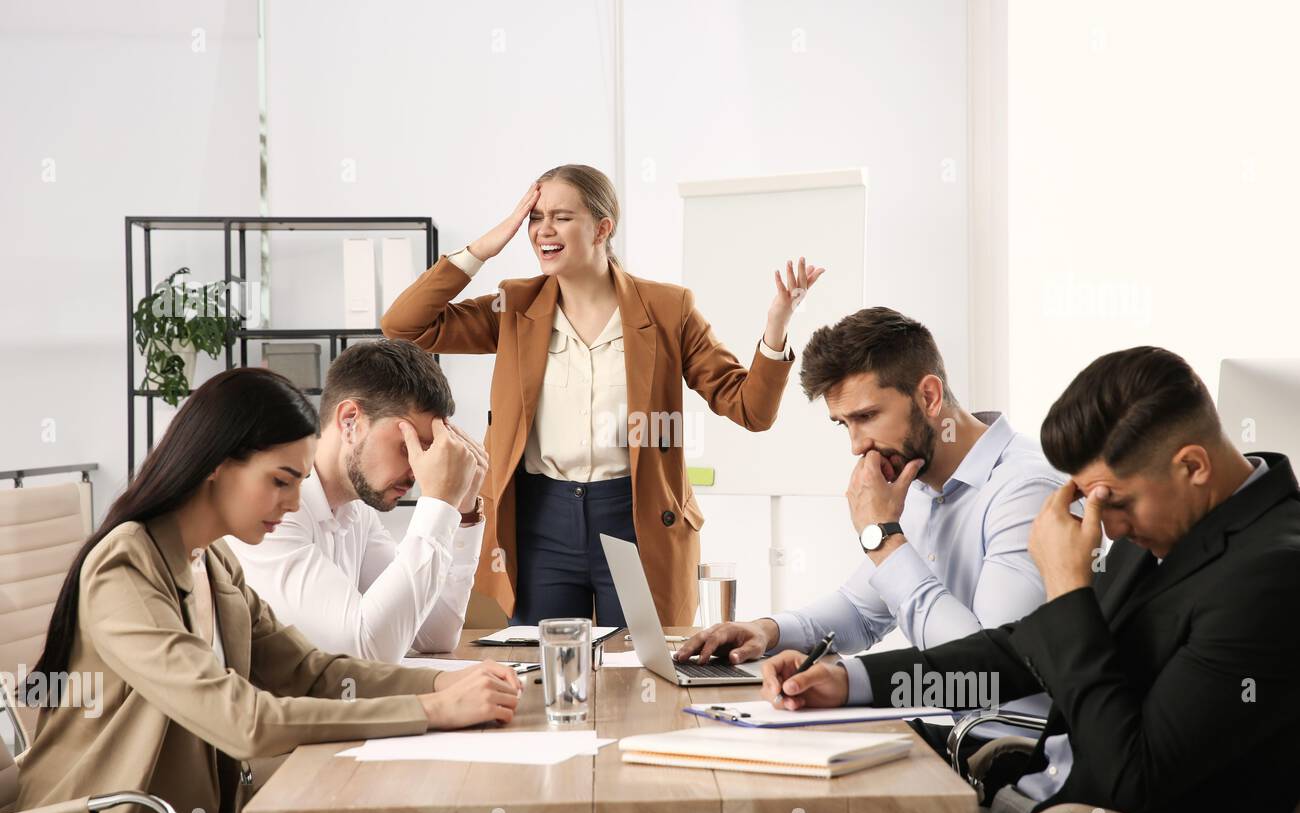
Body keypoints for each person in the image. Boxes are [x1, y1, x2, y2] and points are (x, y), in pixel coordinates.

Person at [759, 346, 1300, 813]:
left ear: (1193, 466)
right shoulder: (1172, 521)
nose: (1105, 527)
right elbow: (1019, 654)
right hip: (1025, 812)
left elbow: (1130, 781)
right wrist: (850, 680)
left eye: (1115, 502)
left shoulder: (1273, 577)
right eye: (1092, 502)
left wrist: (1067, 586)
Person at [1, 368, 520, 813]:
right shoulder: (126, 565)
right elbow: (244, 720)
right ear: (216, 464)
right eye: (280, 480)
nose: (295, 504)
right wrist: (431, 708)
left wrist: (449, 684)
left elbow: (314, 674)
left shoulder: (213, 561)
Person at [381, 164, 823, 627]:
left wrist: (776, 327)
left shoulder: (668, 309)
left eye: (561, 217)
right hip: (540, 522)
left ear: (602, 228)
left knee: (641, 669)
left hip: (636, 519)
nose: (542, 230)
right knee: (544, 673)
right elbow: (405, 325)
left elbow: (750, 409)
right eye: (535, 218)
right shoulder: (514, 306)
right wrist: (487, 245)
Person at [673, 308, 1062, 752]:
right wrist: (766, 631)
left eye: (867, 417)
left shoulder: (1025, 490)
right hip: (941, 729)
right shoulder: (916, 479)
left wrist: (883, 538)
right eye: (844, 424)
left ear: (930, 398)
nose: (856, 446)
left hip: (1004, 750)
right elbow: (861, 611)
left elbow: (985, 674)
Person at [226, 339, 488, 661]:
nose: (419, 472)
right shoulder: (276, 511)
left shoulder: (356, 514)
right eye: (408, 447)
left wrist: (463, 513)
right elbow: (366, 649)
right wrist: (438, 503)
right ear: (350, 420)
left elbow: (435, 633)